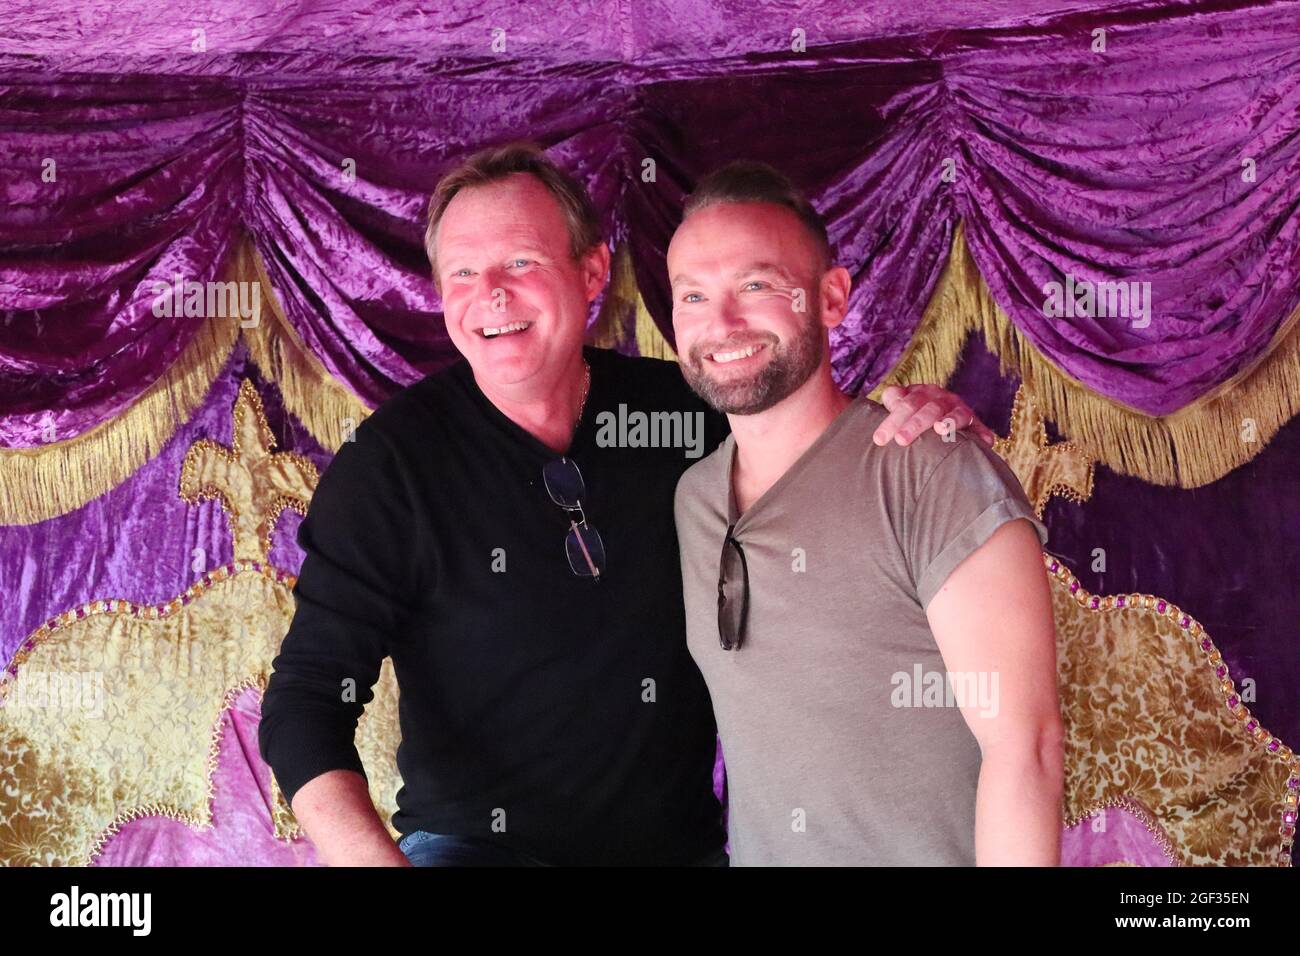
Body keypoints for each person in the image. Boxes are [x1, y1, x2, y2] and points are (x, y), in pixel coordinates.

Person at [258, 142, 994, 867]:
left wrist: (913, 415)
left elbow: (812, 435)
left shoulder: (691, 417)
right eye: (462, 272)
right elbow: (305, 705)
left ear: (592, 272)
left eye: (520, 262)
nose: (492, 294)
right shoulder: (388, 468)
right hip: (475, 851)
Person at [670, 160, 1064, 866]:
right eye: (692, 295)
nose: (720, 323)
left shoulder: (933, 469)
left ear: (830, 296)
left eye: (754, 285)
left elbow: (1025, 749)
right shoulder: (691, 497)